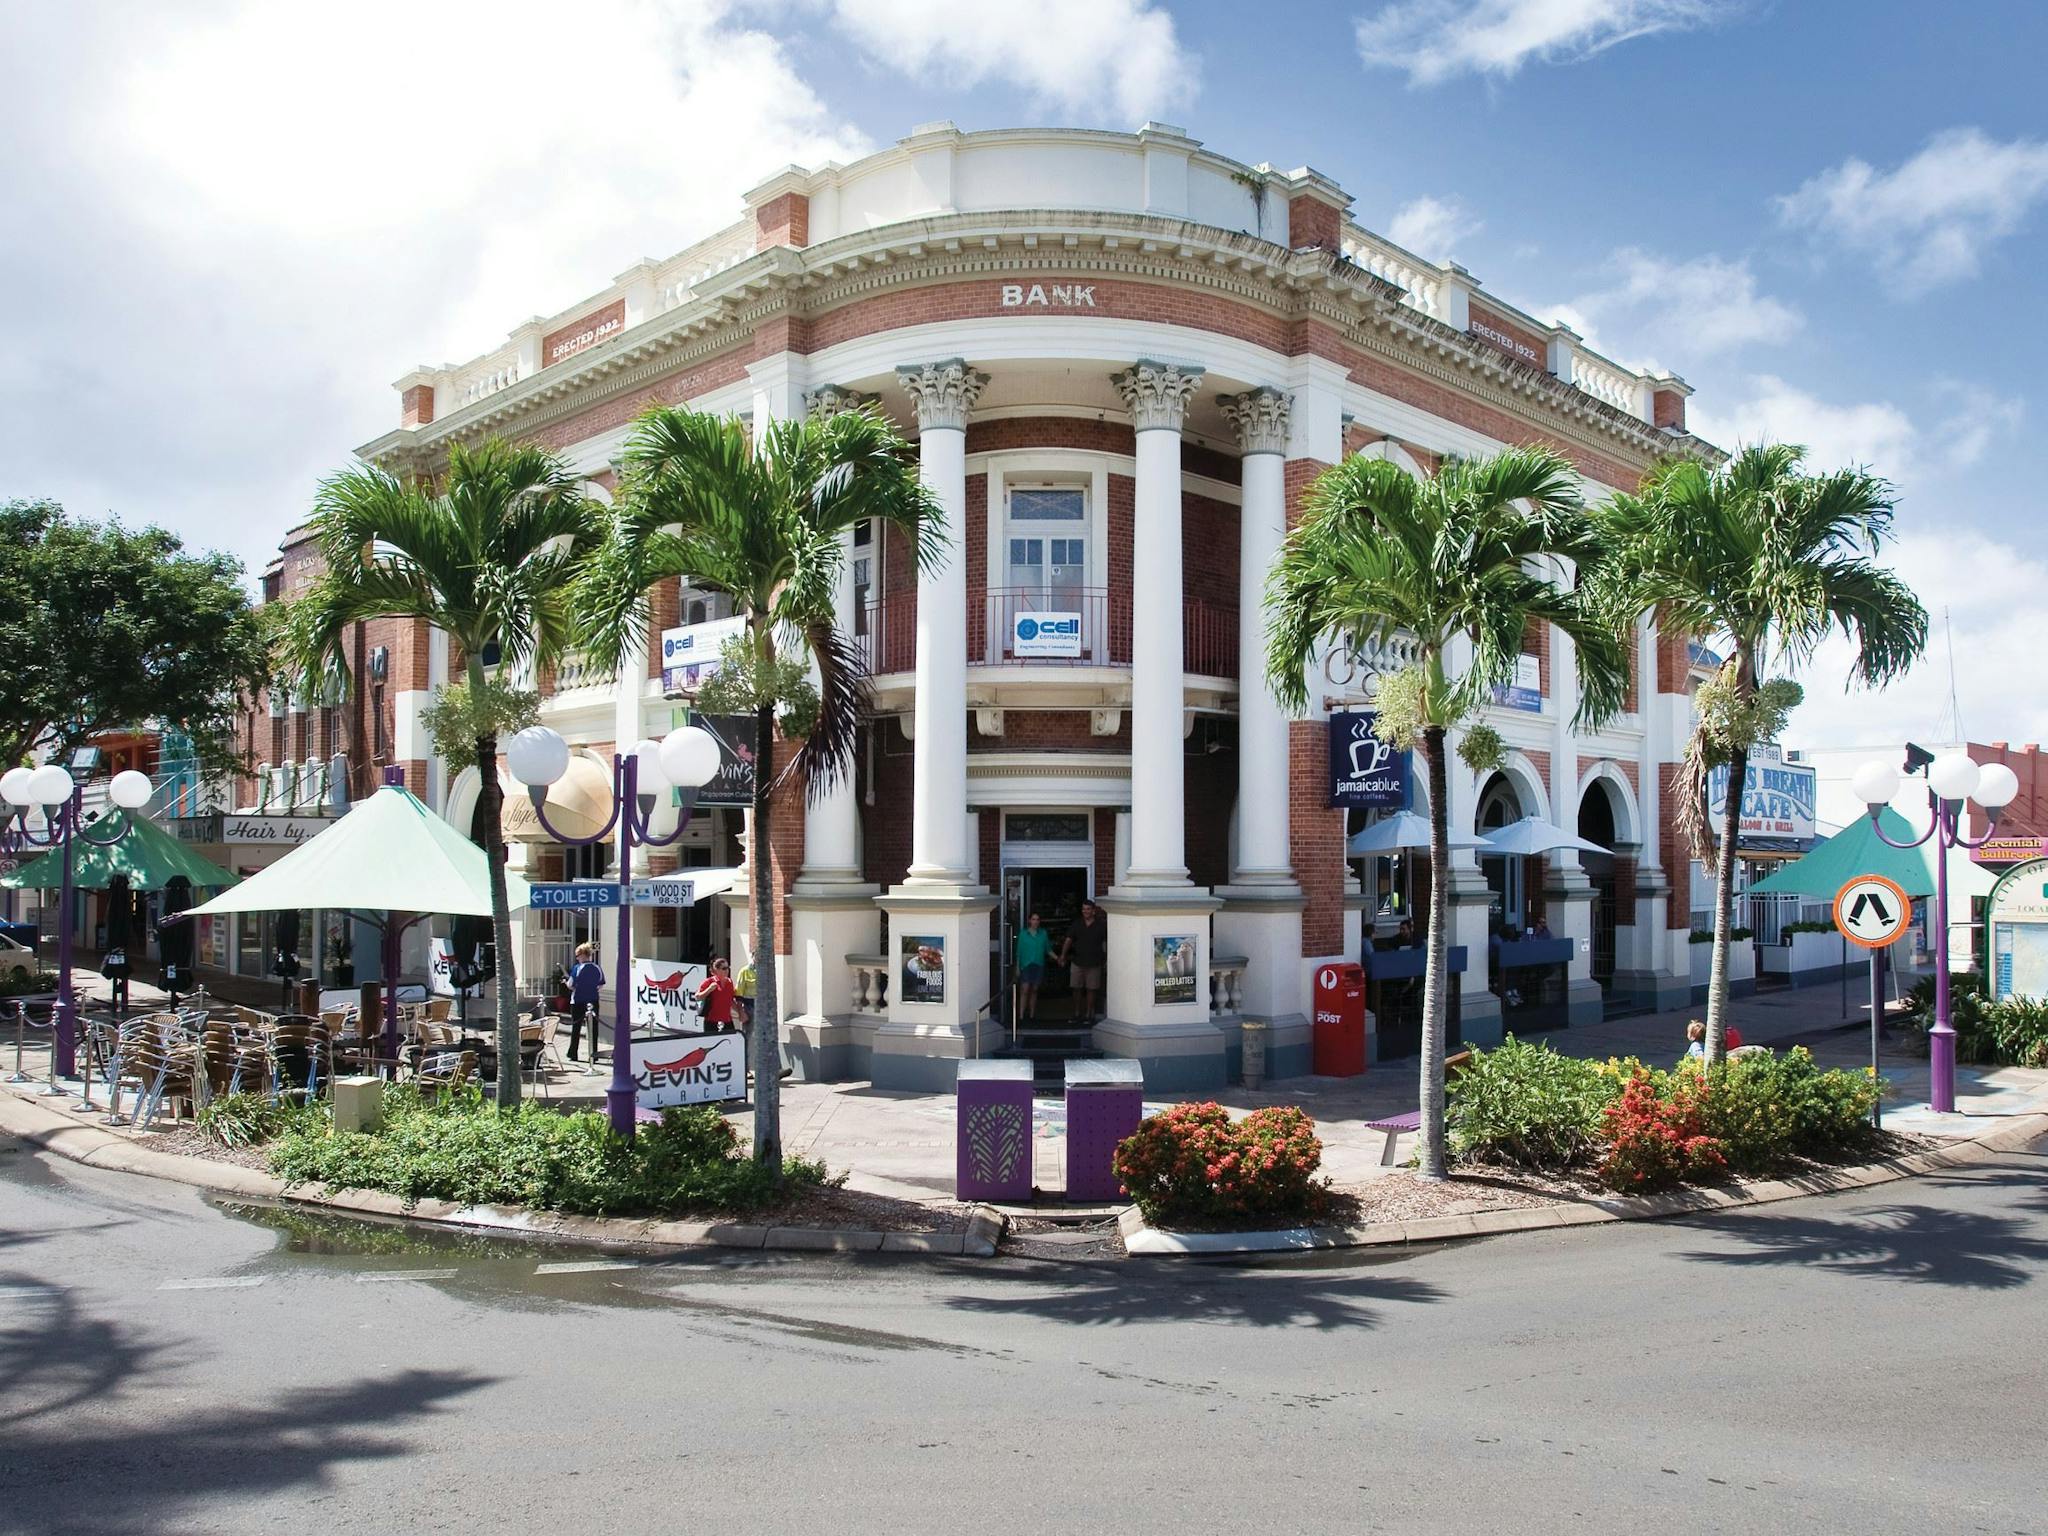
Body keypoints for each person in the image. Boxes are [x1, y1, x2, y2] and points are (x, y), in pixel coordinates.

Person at [1060, 899, 1108, 1025]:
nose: (1085, 911)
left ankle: (1089, 1015)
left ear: (1093, 911)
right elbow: (1069, 940)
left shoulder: (1101, 925)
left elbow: (1106, 943)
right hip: (1077, 961)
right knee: (1076, 988)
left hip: (1094, 962)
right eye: (1083, 909)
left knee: (1091, 990)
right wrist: (1063, 955)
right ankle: (1076, 1013)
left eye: (1087, 909)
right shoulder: (1077, 924)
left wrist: (1107, 960)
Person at [567, 942, 605, 1067]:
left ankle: (573, 1053)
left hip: (578, 1001)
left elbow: (571, 985)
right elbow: (600, 984)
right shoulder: (597, 968)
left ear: (583, 955)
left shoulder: (577, 968)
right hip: (593, 1000)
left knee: (576, 1028)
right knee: (594, 1028)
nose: (577, 958)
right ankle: (594, 1054)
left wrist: (572, 986)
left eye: (578, 955)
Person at [1014, 911, 1052, 1023]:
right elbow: (1018, 952)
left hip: (1038, 964)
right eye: (1033, 919)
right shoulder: (1023, 934)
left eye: (1037, 919)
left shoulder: (1043, 934)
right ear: (1029, 921)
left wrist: (1058, 958)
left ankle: (1031, 1015)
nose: (1035, 922)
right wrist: (1017, 967)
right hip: (1026, 964)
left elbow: (1048, 949)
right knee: (1025, 989)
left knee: (1034, 990)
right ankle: (1021, 1015)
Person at [696, 957, 737, 1033]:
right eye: (724, 968)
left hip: (727, 1020)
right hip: (711, 1021)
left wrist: (740, 1012)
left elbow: (731, 1000)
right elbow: (697, 997)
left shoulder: (730, 982)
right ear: (717, 970)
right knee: (711, 1043)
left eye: (728, 968)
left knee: (730, 1043)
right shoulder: (709, 981)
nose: (727, 970)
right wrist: (709, 989)